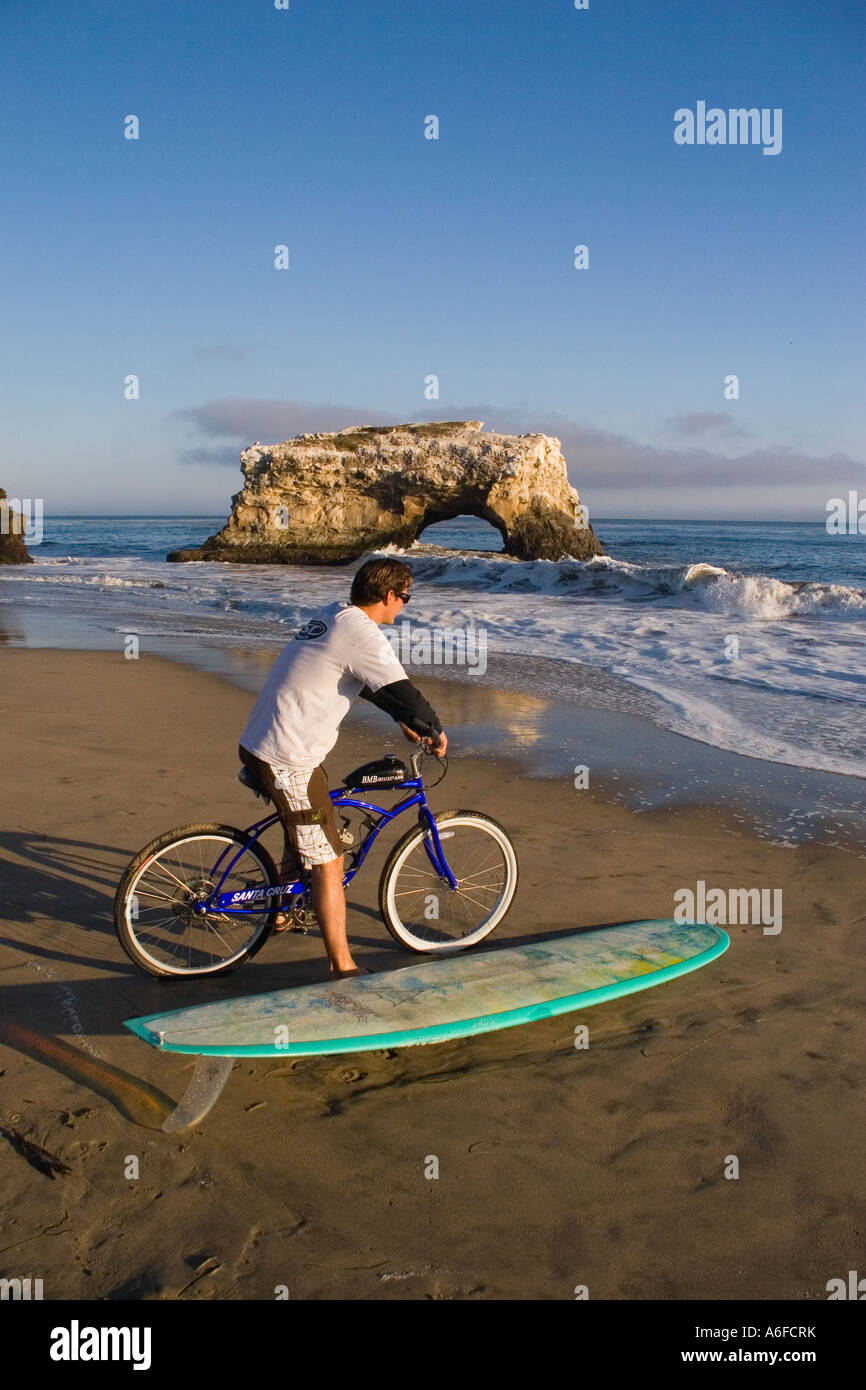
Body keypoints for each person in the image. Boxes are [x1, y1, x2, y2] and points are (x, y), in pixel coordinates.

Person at [238, 558, 447, 979]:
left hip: (262, 744)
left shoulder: (334, 614)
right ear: (389, 596)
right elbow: (401, 691)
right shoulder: (363, 634)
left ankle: (280, 914)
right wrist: (434, 729)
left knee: (306, 830)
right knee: (329, 863)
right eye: (405, 598)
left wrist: (401, 721)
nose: (403, 607)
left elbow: (352, 679)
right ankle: (342, 966)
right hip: (287, 758)